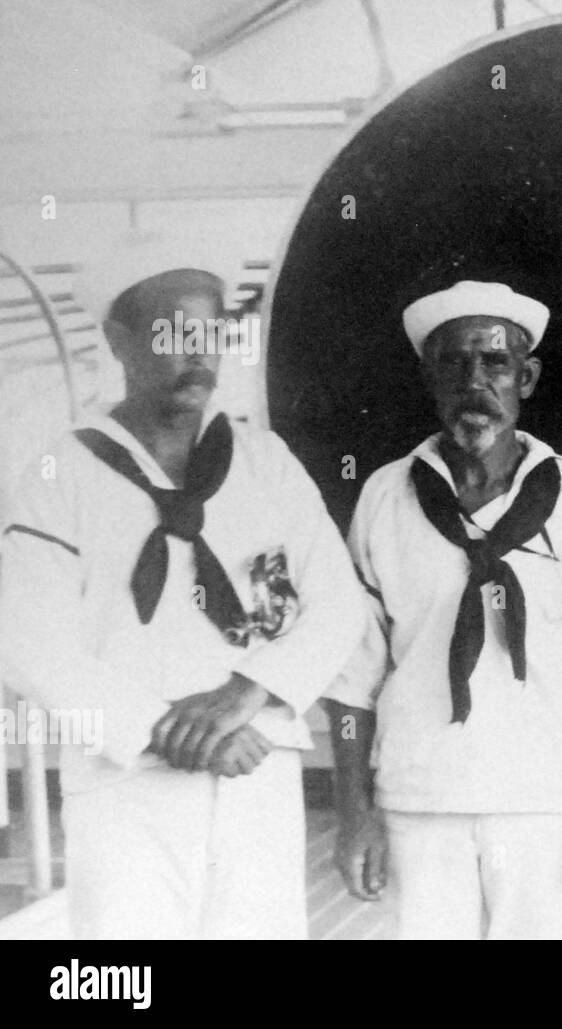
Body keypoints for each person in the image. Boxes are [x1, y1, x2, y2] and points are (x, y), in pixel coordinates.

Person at [0, 234, 367, 938]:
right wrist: (163, 731)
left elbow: (336, 606)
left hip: (256, 768)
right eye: (173, 332)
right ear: (119, 341)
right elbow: (28, 640)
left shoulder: (264, 463)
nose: (198, 352)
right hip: (126, 783)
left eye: (212, 332)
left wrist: (246, 691)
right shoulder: (64, 474)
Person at [324, 280, 562, 940]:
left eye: (496, 362)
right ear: (429, 376)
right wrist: (353, 809)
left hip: (544, 802)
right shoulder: (387, 498)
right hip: (419, 801)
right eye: (455, 362)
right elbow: (351, 678)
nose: (476, 381)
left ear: (526, 376)